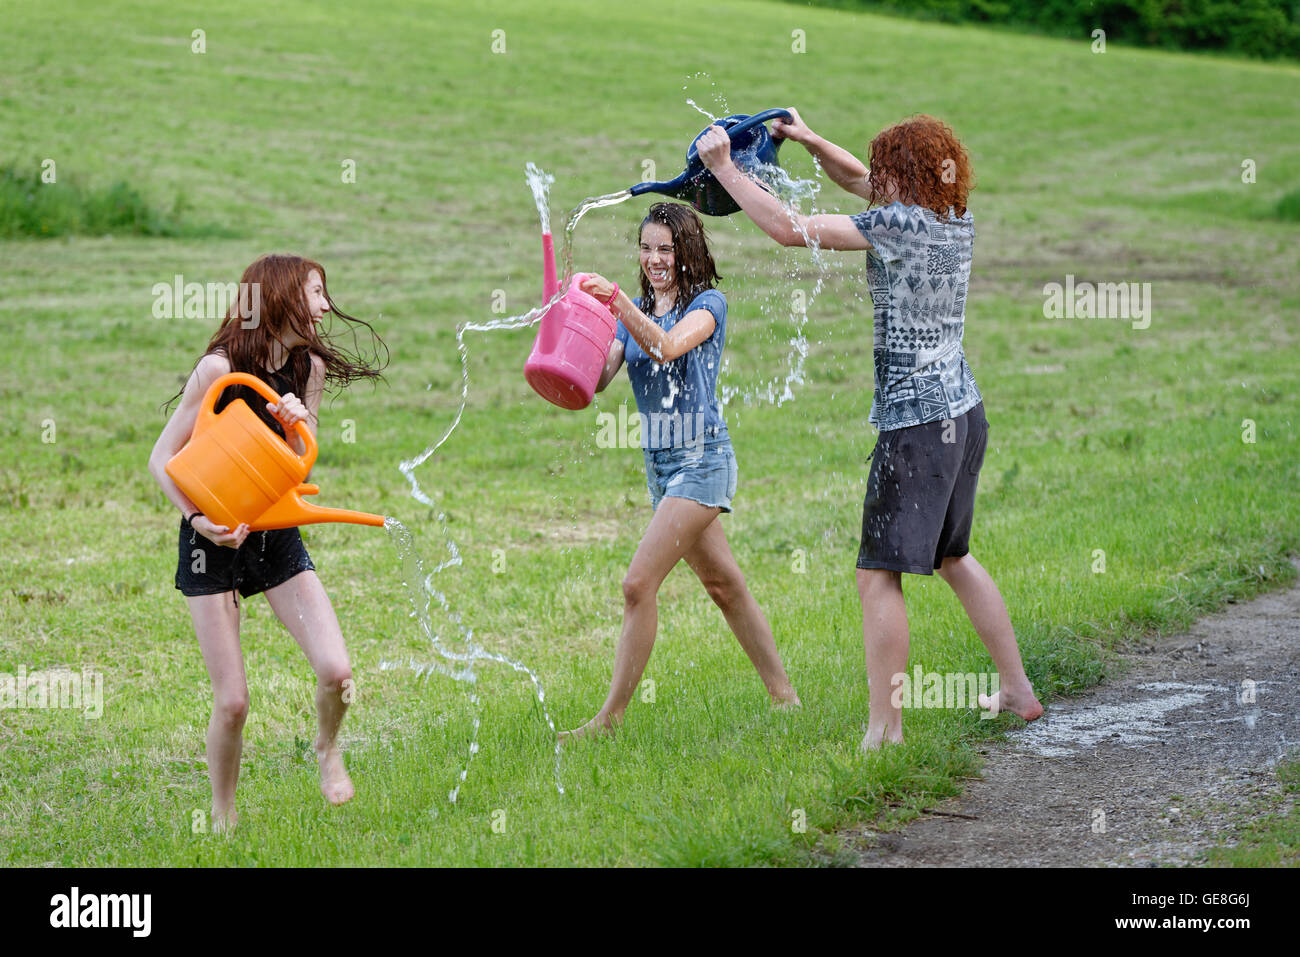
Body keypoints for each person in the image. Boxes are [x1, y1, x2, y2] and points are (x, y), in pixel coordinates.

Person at [697, 111, 1043, 750]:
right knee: (952, 556)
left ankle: (885, 731)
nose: (873, 174)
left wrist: (724, 168)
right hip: (963, 413)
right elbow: (858, 177)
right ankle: (1017, 688)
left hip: (915, 424)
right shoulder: (954, 215)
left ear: (903, 175)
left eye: (886, 166)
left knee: (876, 574)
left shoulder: (895, 226)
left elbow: (787, 228)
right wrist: (805, 139)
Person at [148, 254, 386, 830]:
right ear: (279, 300)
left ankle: (327, 749)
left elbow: (296, 474)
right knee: (232, 702)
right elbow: (162, 460)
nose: (326, 307)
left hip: (273, 532)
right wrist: (197, 519)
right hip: (212, 538)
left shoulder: (309, 369)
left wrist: (292, 422)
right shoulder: (218, 369)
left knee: (337, 672)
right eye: (315, 295)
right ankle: (222, 816)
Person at [559, 202, 800, 740]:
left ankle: (609, 720)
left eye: (665, 248)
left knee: (637, 584)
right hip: (661, 467)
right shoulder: (638, 308)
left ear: (687, 250)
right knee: (724, 585)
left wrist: (617, 301)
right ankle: (785, 698)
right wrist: (568, 324)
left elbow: (667, 348)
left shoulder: (709, 305)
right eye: (646, 248)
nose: (654, 259)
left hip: (702, 460)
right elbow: (597, 381)